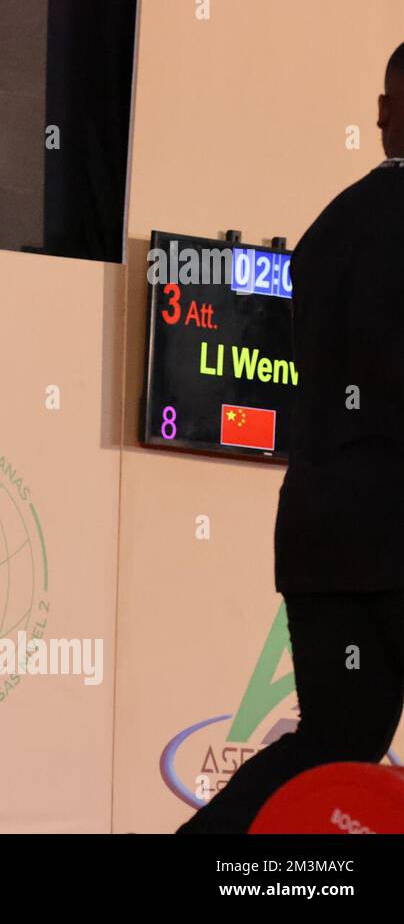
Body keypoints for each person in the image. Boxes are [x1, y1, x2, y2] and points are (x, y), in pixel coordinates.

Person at [177, 44, 404, 833]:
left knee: (337, 742)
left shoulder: (325, 231)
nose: (374, 112)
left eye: (382, 101)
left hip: (320, 536)